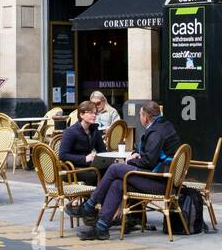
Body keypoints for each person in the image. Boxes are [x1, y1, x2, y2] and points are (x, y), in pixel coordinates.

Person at [72, 100, 180, 241]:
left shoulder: (156, 132)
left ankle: (89, 206)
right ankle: (102, 228)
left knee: (115, 168)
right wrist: (138, 154)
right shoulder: (165, 125)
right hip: (161, 178)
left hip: (161, 183)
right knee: (117, 183)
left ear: (146, 117)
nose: (139, 118)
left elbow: (148, 162)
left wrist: (131, 160)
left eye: (140, 115)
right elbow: (153, 155)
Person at [59, 100, 106, 187]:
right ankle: (89, 199)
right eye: (91, 113)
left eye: (95, 113)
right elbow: (62, 155)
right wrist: (85, 158)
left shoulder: (94, 130)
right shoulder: (70, 132)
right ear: (81, 115)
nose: (94, 116)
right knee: (93, 175)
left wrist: (106, 160)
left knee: (109, 170)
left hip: (88, 166)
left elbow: (102, 151)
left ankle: (102, 199)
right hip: (71, 169)